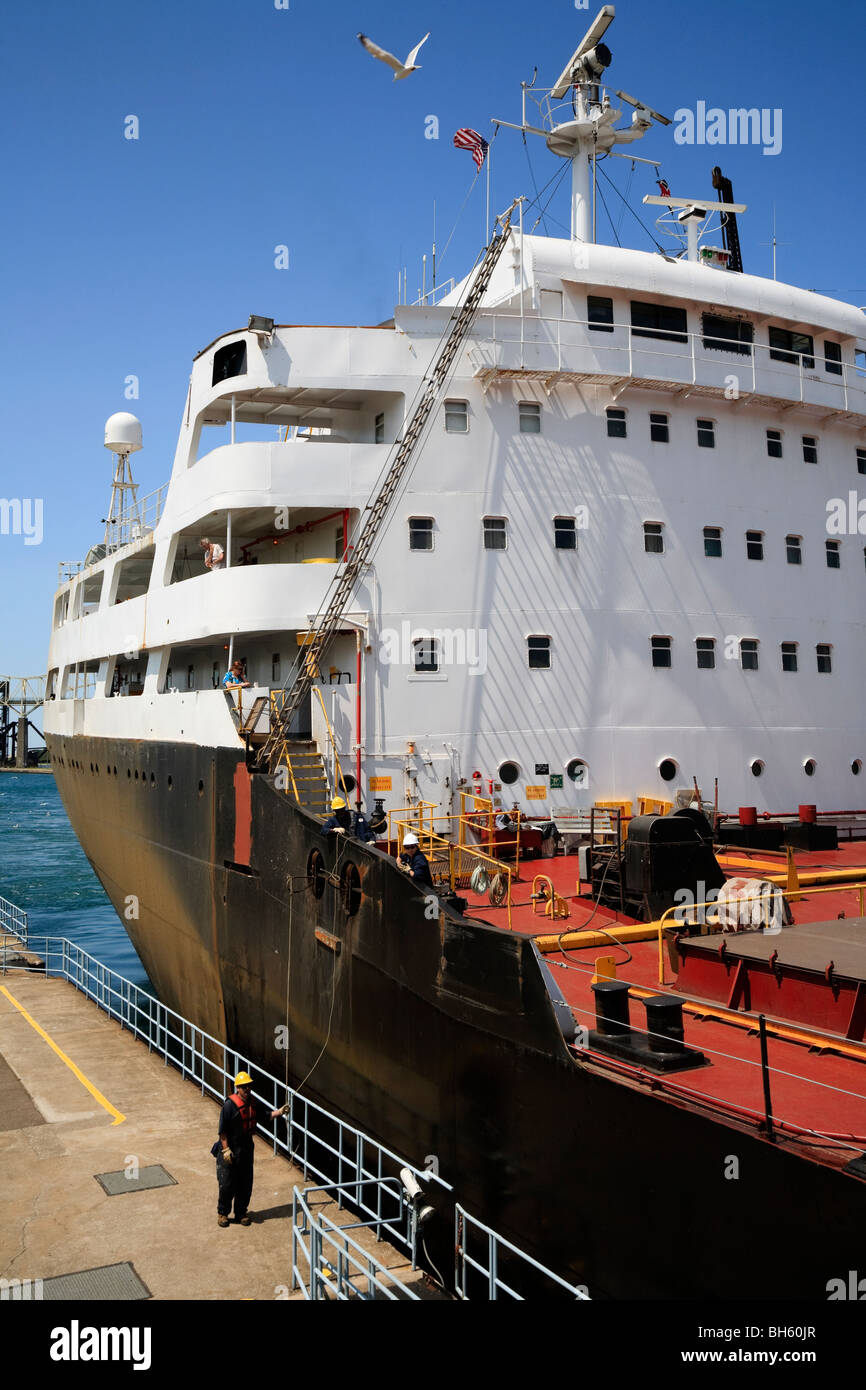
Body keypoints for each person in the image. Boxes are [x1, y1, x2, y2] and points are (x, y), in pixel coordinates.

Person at [215, 1072, 288, 1227]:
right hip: (231, 1148)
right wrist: (225, 1150)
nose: (248, 1089)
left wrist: (280, 1112)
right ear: (238, 1088)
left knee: (245, 1182)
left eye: (249, 1086)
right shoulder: (229, 1106)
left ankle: (241, 1212)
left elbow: (265, 1115)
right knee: (227, 1183)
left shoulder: (253, 1103)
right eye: (244, 1087)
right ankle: (223, 1213)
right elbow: (223, 1131)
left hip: (247, 1148)